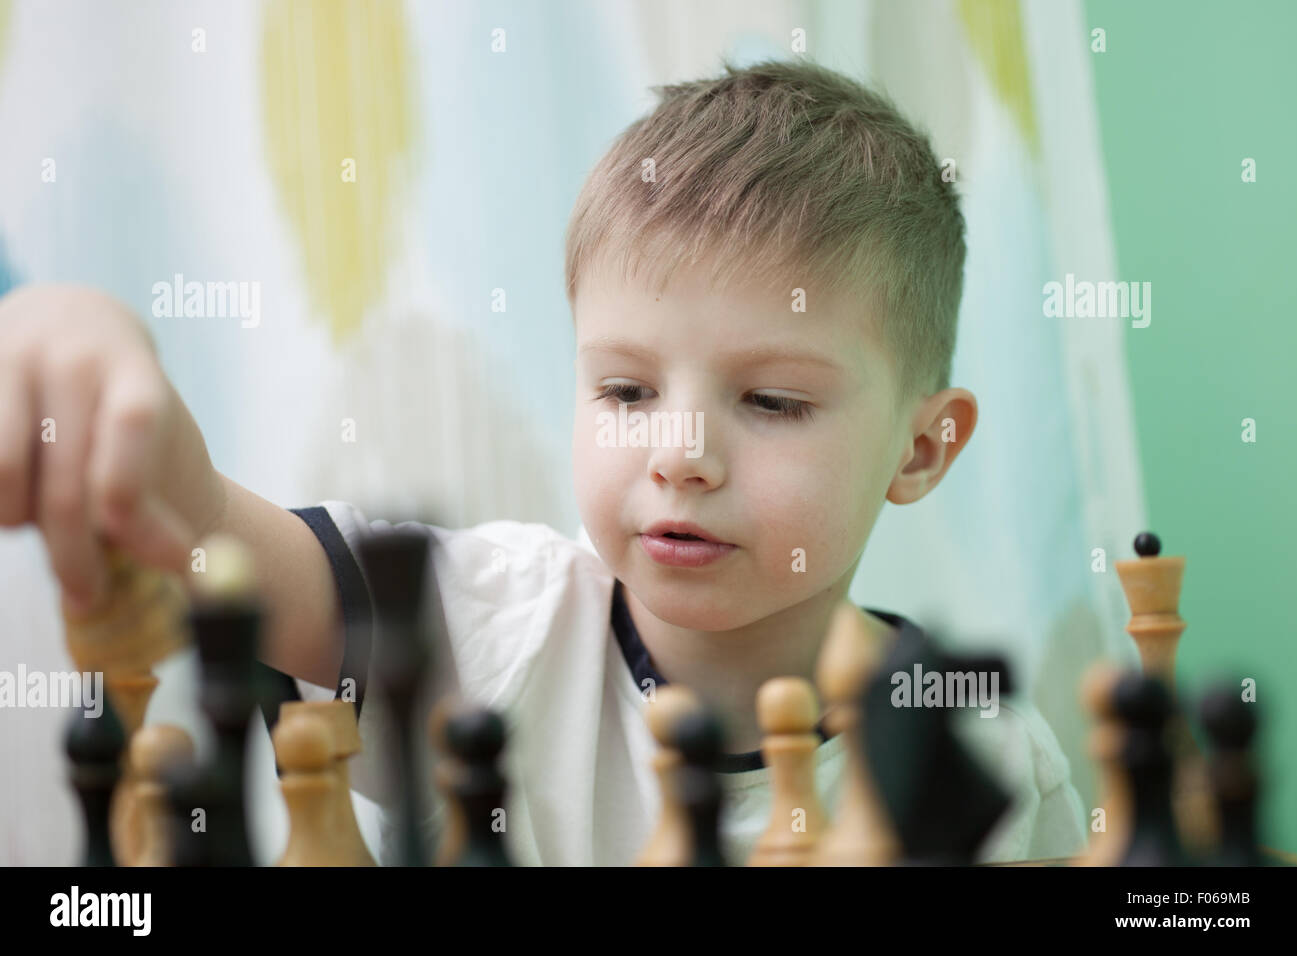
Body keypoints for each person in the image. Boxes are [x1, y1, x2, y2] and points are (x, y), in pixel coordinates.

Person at [0, 58, 1086, 865]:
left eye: (771, 400)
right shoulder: (491, 623)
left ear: (922, 444)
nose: (681, 454)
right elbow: (209, 534)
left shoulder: (983, 747)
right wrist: (82, 340)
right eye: (624, 390)